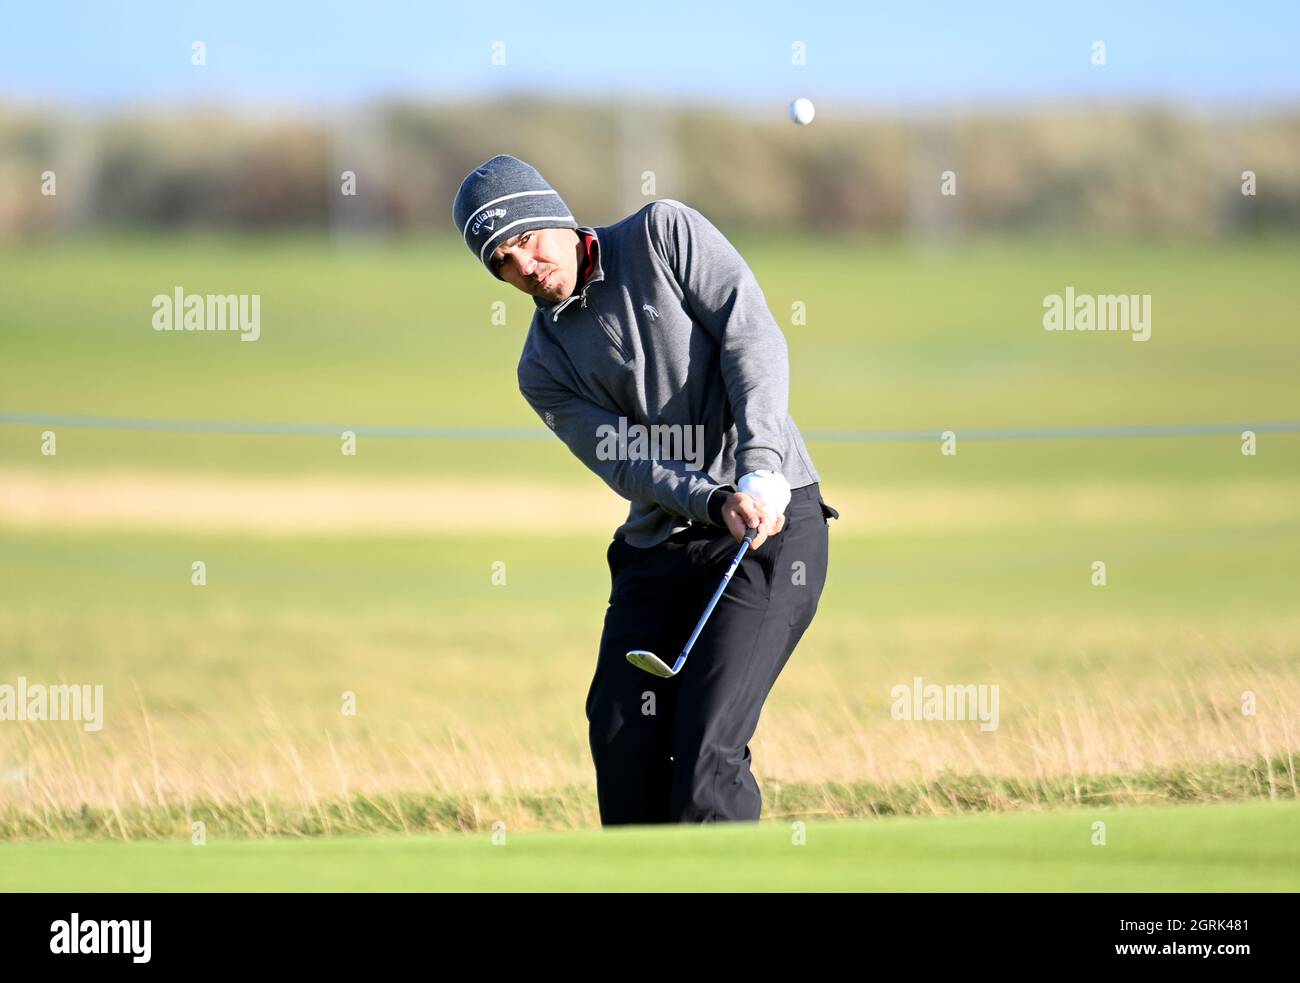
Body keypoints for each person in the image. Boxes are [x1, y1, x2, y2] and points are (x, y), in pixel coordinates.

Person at [452, 154, 837, 824]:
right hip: (666, 541)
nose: (524, 268)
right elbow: (628, 460)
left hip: (772, 526)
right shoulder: (541, 365)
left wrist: (760, 465)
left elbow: (753, 338)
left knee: (706, 748)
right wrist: (714, 500)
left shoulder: (663, 234)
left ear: (554, 218)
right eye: (502, 263)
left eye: (526, 241)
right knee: (621, 737)